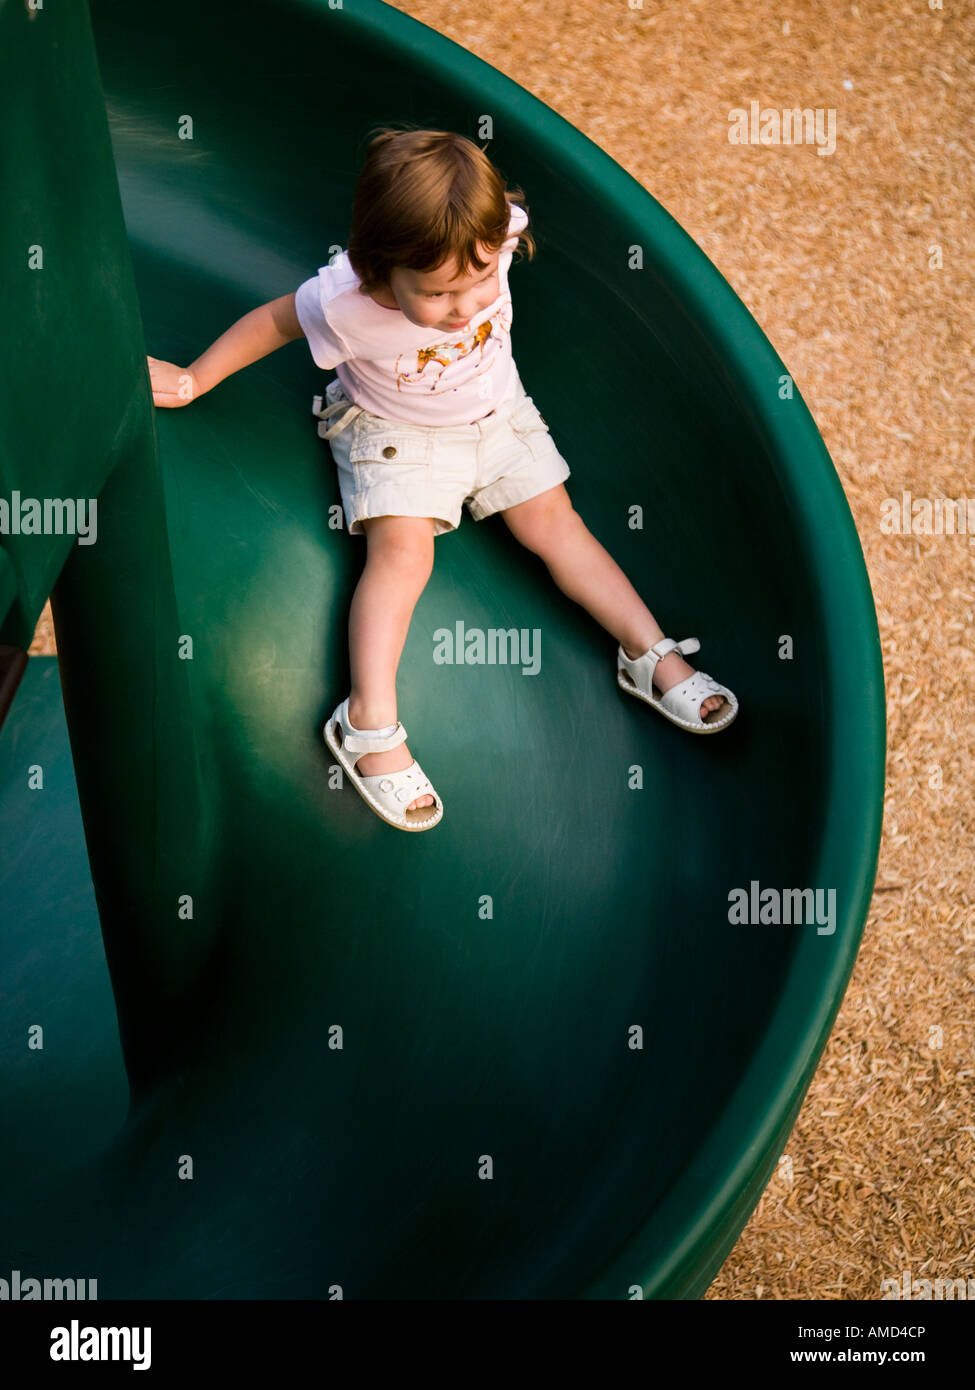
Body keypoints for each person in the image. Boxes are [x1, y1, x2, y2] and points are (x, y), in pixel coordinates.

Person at [147, 126, 737, 834]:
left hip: (497, 413)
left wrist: (478, 275)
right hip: (396, 433)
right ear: (376, 269)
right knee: (403, 557)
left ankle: (648, 653)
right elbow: (273, 323)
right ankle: (366, 722)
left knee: (556, 524)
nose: (464, 307)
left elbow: (479, 258)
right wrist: (193, 378)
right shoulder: (346, 301)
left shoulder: (493, 234)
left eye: (481, 279)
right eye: (435, 294)